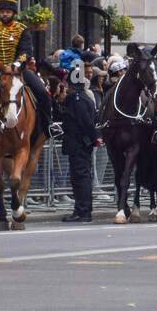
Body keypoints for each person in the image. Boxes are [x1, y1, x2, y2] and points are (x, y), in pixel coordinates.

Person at [0, 0, 55, 141]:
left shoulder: (22, 29)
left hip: (18, 70)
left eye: (7, 12)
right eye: (2, 12)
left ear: (13, 12)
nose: (5, 14)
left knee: (42, 91)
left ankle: (49, 125)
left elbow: (26, 51)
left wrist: (15, 65)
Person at [58, 63, 99, 222]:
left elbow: (85, 123)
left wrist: (92, 138)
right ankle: (82, 210)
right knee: (80, 177)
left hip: (79, 144)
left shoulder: (77, 100)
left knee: (81, 178)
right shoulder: (84, 98)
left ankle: (83, 211)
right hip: (80, 144)